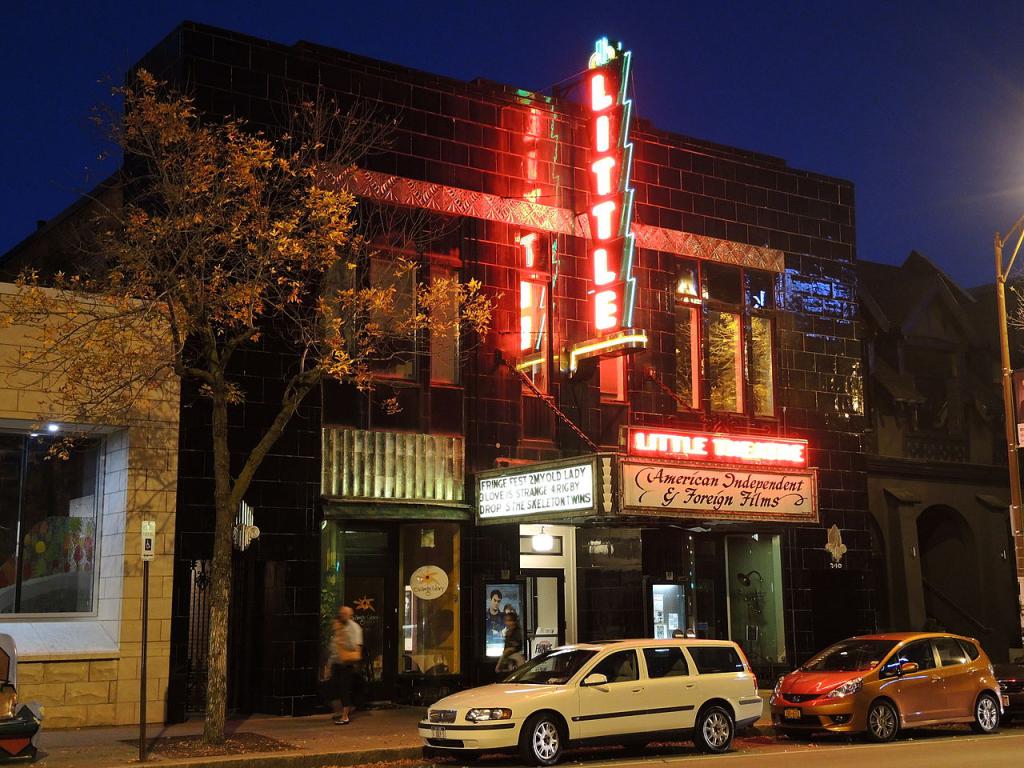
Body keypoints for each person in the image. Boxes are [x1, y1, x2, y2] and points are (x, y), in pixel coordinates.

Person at [328, 605, 363, 725]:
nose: (341, 615)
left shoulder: (354, 628)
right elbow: (333, 648)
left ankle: (345, 715)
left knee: (343, 688)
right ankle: (344, 710)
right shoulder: (339, 627)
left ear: (349, 615)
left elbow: (356, 647)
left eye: (344, 613)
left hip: (346, 663)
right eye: (341, 613)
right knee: (334, 687)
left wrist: (343, 643)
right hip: (337, 663)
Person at [495, 609, 525, 674]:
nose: (507, 623)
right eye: (506, 621)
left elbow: (510, 649)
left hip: (517, 662)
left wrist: (499, 664)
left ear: (514, 622)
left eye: (510, 621)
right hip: (509, 663)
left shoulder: (517, 633)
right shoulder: (508, 633)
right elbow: (506, 650)